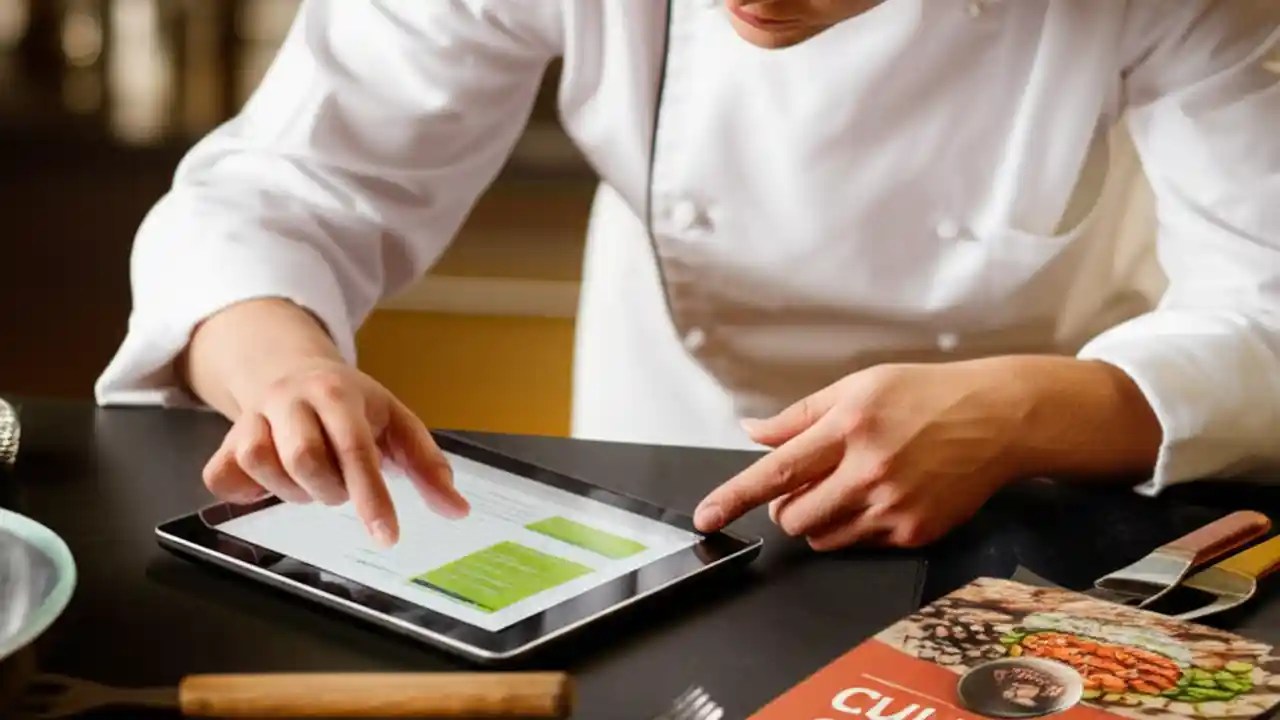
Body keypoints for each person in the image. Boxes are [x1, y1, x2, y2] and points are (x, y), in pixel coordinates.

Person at [96, 0, 1280, 551]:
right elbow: (281, 188)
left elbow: (1266, 304)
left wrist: (1019, 412)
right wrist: (283, 364)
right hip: (669, 463)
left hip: (1075, 470)